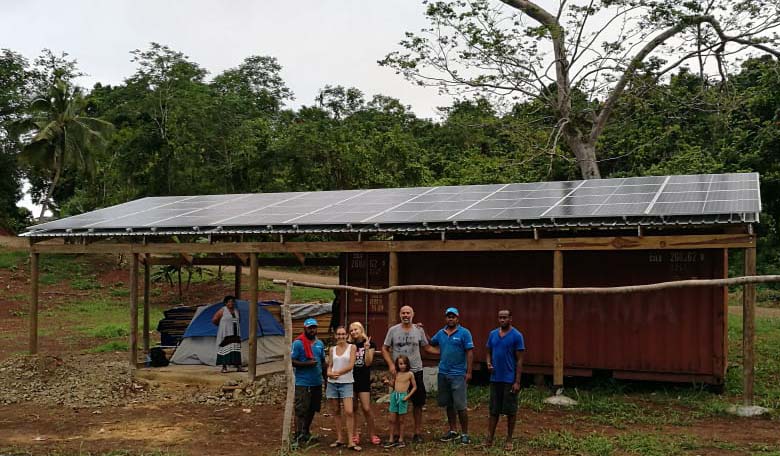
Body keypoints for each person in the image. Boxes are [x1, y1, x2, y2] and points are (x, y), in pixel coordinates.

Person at [425, 307, 474, 445]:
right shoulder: (441, 333)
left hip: (458, 374)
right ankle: (453, 431)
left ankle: (465, 434)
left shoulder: (464, 333)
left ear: (457, 318)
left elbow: (470, 352)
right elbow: (431, 342)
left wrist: (469, 372)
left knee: (461, 406)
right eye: (448, 316)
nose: (450, 319)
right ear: (445, 318)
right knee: (449, 404)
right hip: (443, 373)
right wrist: (423, 331)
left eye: (453, 317)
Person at [381, 305, 428, 443]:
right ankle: (396, 434)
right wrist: (391, 364)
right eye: (403, 313)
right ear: (400, 315)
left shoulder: (418, 330)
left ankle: (417, 433)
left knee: (418, 403)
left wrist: (444, 352)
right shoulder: (393, 330)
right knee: (397, 401)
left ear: (413, 314)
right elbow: (384, 348)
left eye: (408, 313)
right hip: (399, 373)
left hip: (416, 370)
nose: (406, 315)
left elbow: (427, 347)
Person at [485, 309, 525, 451]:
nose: (502, 320)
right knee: (493, 410)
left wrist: (517, 381)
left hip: (509, 379)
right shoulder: (492, 334)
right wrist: (488, 363)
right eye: (500, 317)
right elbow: (488, 351)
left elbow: (520, 360)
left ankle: (509, 439)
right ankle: (489, 438)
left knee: (510, 411)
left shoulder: (517, 336)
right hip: (495, 378)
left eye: (505, 317)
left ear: (510, 318)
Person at [291, 318, 326, 445]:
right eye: (310, 328)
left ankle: (306, 432)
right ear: (305, 329)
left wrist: (326, 380)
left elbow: (323, 362)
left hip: (316, 381)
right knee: (301, 410)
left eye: (314, 328)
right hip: (303, 382)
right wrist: (306, 364)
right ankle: (297, 436)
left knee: (312, 408)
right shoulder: (298, 343)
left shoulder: (320, 344)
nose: (312, 330)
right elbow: (292, 361)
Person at [326, 326, 361, 451]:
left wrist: (337, 373)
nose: (341, 336)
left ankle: (351, 441)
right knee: (336, 410)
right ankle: (340, 438)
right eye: (338, 334)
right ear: (335, 336)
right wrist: (329, 373)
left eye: (343, 334)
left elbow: (351, 365)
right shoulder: (332, 349)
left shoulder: (352, 347)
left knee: (349, 411)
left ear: (347, 335)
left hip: (346, 382)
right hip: (332, 383)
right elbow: (330, 365)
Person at [349, 322, 380, 446]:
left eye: (355, 329)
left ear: (361, 329)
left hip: (363, 380)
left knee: (366, 408)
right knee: (353, 408)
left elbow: (368, 363)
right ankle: (355, 433)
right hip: (350, 379)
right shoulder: (349, 345)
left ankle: (372, 434)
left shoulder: (370, 344)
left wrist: (366, 348)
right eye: (351, 330)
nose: (353, 332)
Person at [383, 355, 417, 449]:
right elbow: (393, 385)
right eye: (400, 364)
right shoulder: (396, 373)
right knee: (392, 419)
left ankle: (401, 439)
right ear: (397, 365)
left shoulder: (410, 374)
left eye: (404, 364)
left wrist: (407, 396)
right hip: (394, 395)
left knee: (402, 420)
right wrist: (387, 382)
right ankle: (391, 439)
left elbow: (414, 387)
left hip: (403, 397)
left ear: (407, 364)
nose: (402, 366)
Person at [211, 295, 245, 373]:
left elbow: (238, 320)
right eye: (229, 302)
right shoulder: (222, 310)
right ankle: (224, 367)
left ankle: (238, 367)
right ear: (226, 303)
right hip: (226, 333)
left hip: (235, 333)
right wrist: (221, 326)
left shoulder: (236, 311)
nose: (231, 303)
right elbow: (214, 320)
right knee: (225, 349)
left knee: (236, 348)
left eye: (232, 302)